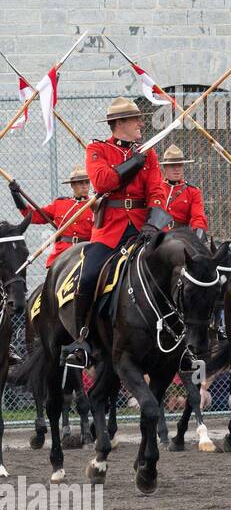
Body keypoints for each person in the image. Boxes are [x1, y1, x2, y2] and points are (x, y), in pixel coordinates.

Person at [64, 97, 169, 369]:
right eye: (135, 119)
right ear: (119, 123)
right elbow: (103, 181)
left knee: (176, 268)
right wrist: (133, 163)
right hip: (110, 231)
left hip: (143, 228)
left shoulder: (150, 153)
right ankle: (82, 340)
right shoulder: (97, 149)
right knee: (87, 276)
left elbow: (157, 190)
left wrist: (153, 222)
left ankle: (181, 339)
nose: (141, 123)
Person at [9, 165, 93, 267]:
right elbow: (33, 216)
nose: (85, 186)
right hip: (62, 252)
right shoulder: (60, 203)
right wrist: (16, 195)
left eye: (87, 182)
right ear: (72, 185)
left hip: (86, 251)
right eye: (81, 183)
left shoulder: (95, 204)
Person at [158, 144, 209, 241]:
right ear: (165, 167)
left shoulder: (193, 191)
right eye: (172, 166)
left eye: (180, 165)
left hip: (180, 237)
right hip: (156, 235)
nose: (177, 169)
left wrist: (197, 239)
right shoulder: (157, 189)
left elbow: (198, 218)